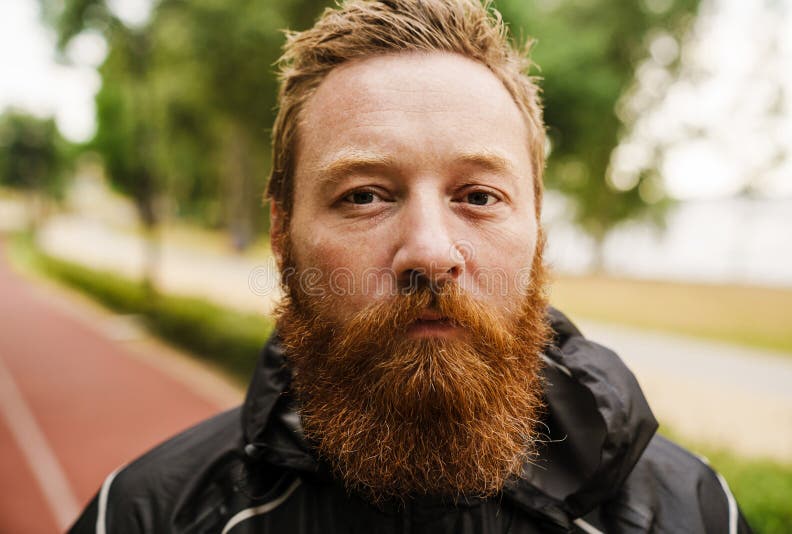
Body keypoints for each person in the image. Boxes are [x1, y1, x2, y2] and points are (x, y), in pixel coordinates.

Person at [70, 0, 752, 532]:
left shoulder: (697, 515)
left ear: (537, 231)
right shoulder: (142, 516)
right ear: (282, 237)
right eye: (364, 195)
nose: (429, 251)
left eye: (479, 196)